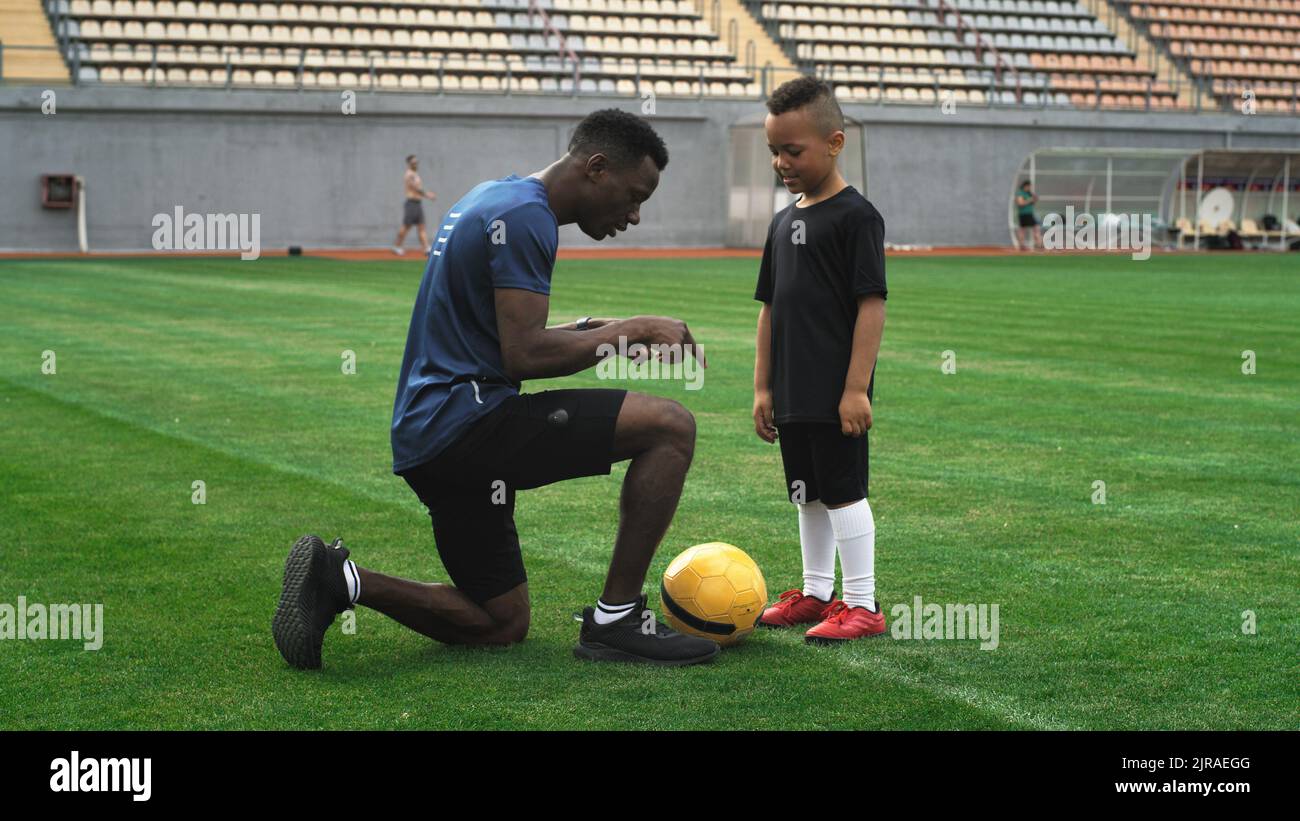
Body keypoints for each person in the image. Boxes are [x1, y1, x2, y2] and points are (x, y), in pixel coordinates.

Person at [274, 109, 719, 668]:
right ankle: (618, 619)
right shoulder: (526, 218)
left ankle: (340, 580)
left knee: (501, 623)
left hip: (431, 440)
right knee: (670, 427)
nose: (633, 216)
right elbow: (524, 353)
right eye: (634, 197)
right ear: (597, 167)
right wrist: (633, 331)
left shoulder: (495, 198)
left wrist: (611, 328)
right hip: (468, 423)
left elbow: (496, 333)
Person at [751, 76, 889, 643]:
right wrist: (763, 388)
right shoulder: (783, 221)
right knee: (805, 490)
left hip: (836, 390)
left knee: (842, 489)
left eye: (793, 150)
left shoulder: (857, 217)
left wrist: (855, 389)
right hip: (792, 390)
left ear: (834, 143)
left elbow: (871, 306)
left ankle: (863, 604)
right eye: (774, 151)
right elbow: (770, 309)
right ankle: (816, 593)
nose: (782, 162)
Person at [393, 154, 437, 256]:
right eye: (413, 163)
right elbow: (417, 189)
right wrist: (428, 195)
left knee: (421, 226)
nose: (416, 164)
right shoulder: (409, 174)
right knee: (406, 226)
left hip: (418, 203)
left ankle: (426, 248)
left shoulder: (415, 174)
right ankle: (397, 246)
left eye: (416, 162)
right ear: (409, 163)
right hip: (411, 203)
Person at [1014, 180, 1042, 251]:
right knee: (1024, 230)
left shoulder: (1028, 193)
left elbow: (1033, 201)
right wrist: (1030, 200)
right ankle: (1022, 245)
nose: (1029, 188)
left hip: (1029, 214)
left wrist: (1034, 199)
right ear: (1025, 186)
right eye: (1028, 186)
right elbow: (1020, 203)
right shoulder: (1020, 193)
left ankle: (1038, 244)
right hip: (1024, 214)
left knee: (1035, 229)